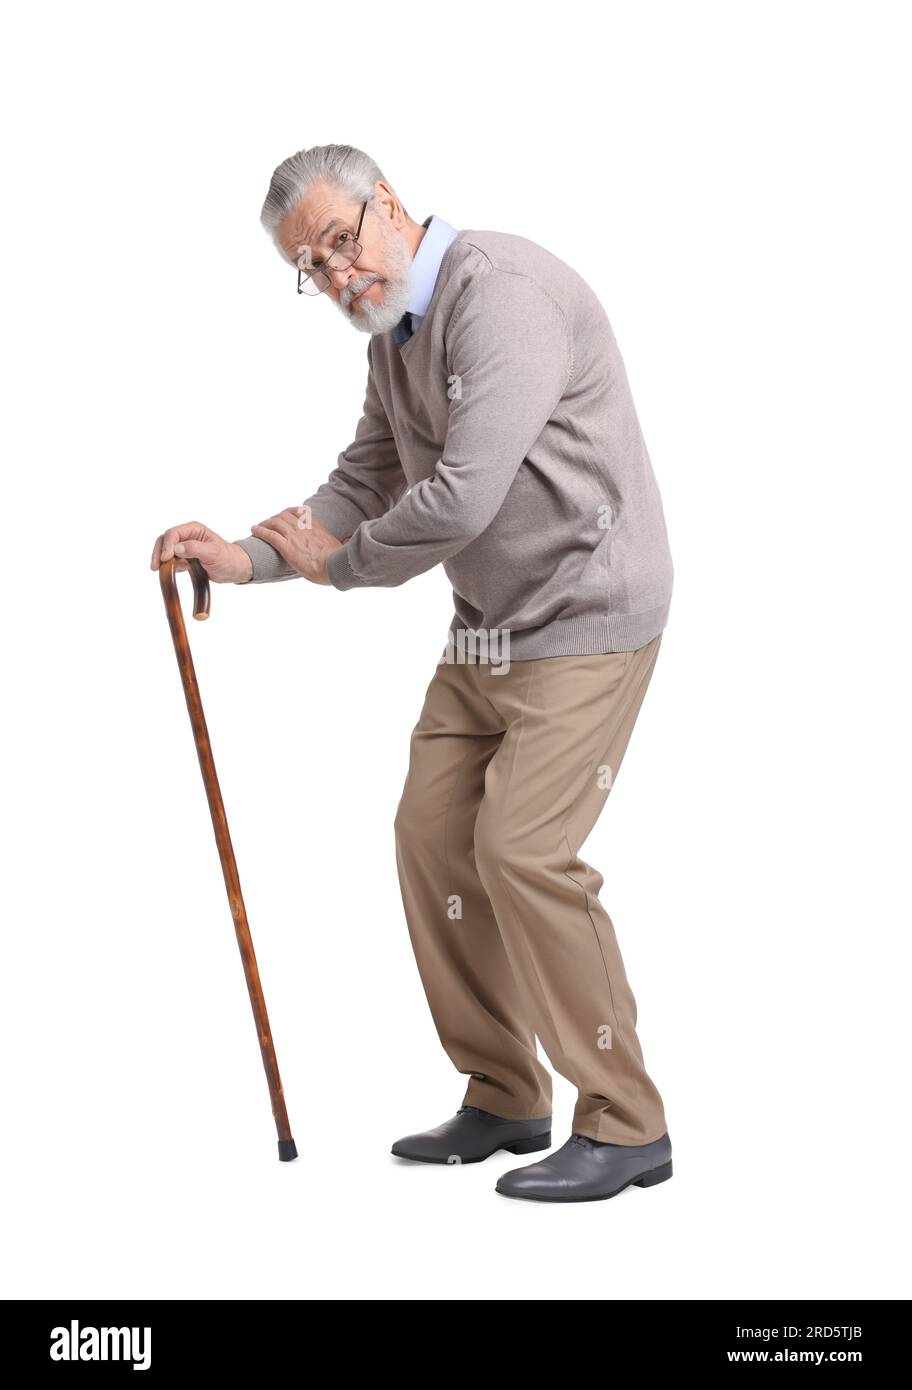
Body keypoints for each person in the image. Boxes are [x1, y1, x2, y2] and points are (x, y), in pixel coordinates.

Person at [150, 143, 675, 1203]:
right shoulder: (398, 337)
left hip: (588, 617)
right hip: (488, 629)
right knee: (433, 839)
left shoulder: (503, 298)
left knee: (521, 850)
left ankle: (627, 1120)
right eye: (313, 267)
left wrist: (337, 569)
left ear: (388, 204)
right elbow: (367, 477)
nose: (338, 277)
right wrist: (245, 558)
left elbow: (462, 501)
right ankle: (504, 1091)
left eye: (341, 242)